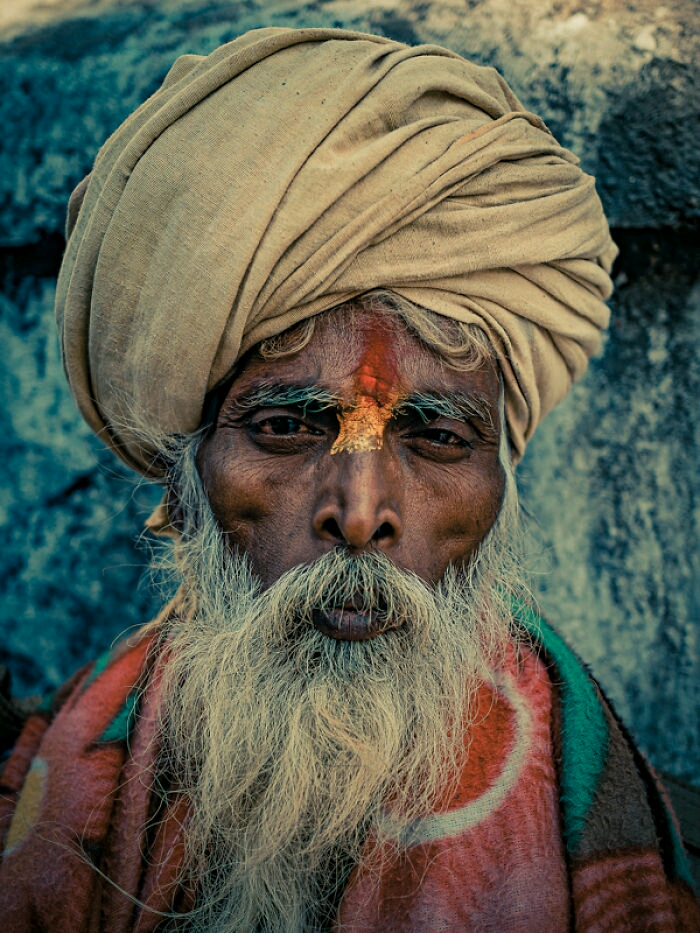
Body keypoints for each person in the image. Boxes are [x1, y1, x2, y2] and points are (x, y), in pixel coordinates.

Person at [0, 26, 697, 933]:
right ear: (184, 484)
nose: (359, 512)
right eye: (286, 426)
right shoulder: (52, 787)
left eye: (437, 433)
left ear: (500, 494)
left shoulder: (619, 820)